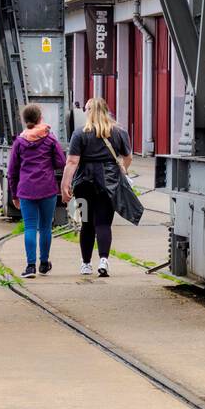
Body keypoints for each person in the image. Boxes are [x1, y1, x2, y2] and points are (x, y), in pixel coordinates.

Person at [60, 96, 142, 278]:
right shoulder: (119, 132)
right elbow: (128, 157)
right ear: (106, 111)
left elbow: (72, 161)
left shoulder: (80, 133)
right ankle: (103, 260)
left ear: (89, 112)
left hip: (84, 184)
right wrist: (123, 169)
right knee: (104, 222)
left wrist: (65, 184)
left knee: (87, 223)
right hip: (109, 183)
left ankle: (86, 264)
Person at [7, 103, 66, 279]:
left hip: (25, 190)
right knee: (45, 227)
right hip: (47, 188)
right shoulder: (49, 139)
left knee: (30, 227)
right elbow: (61, 162)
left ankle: (30, 266)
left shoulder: (19, 142)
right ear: (40, 118)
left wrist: (14, 195)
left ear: (25, 121)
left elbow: (12, 171)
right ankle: (44, 263)